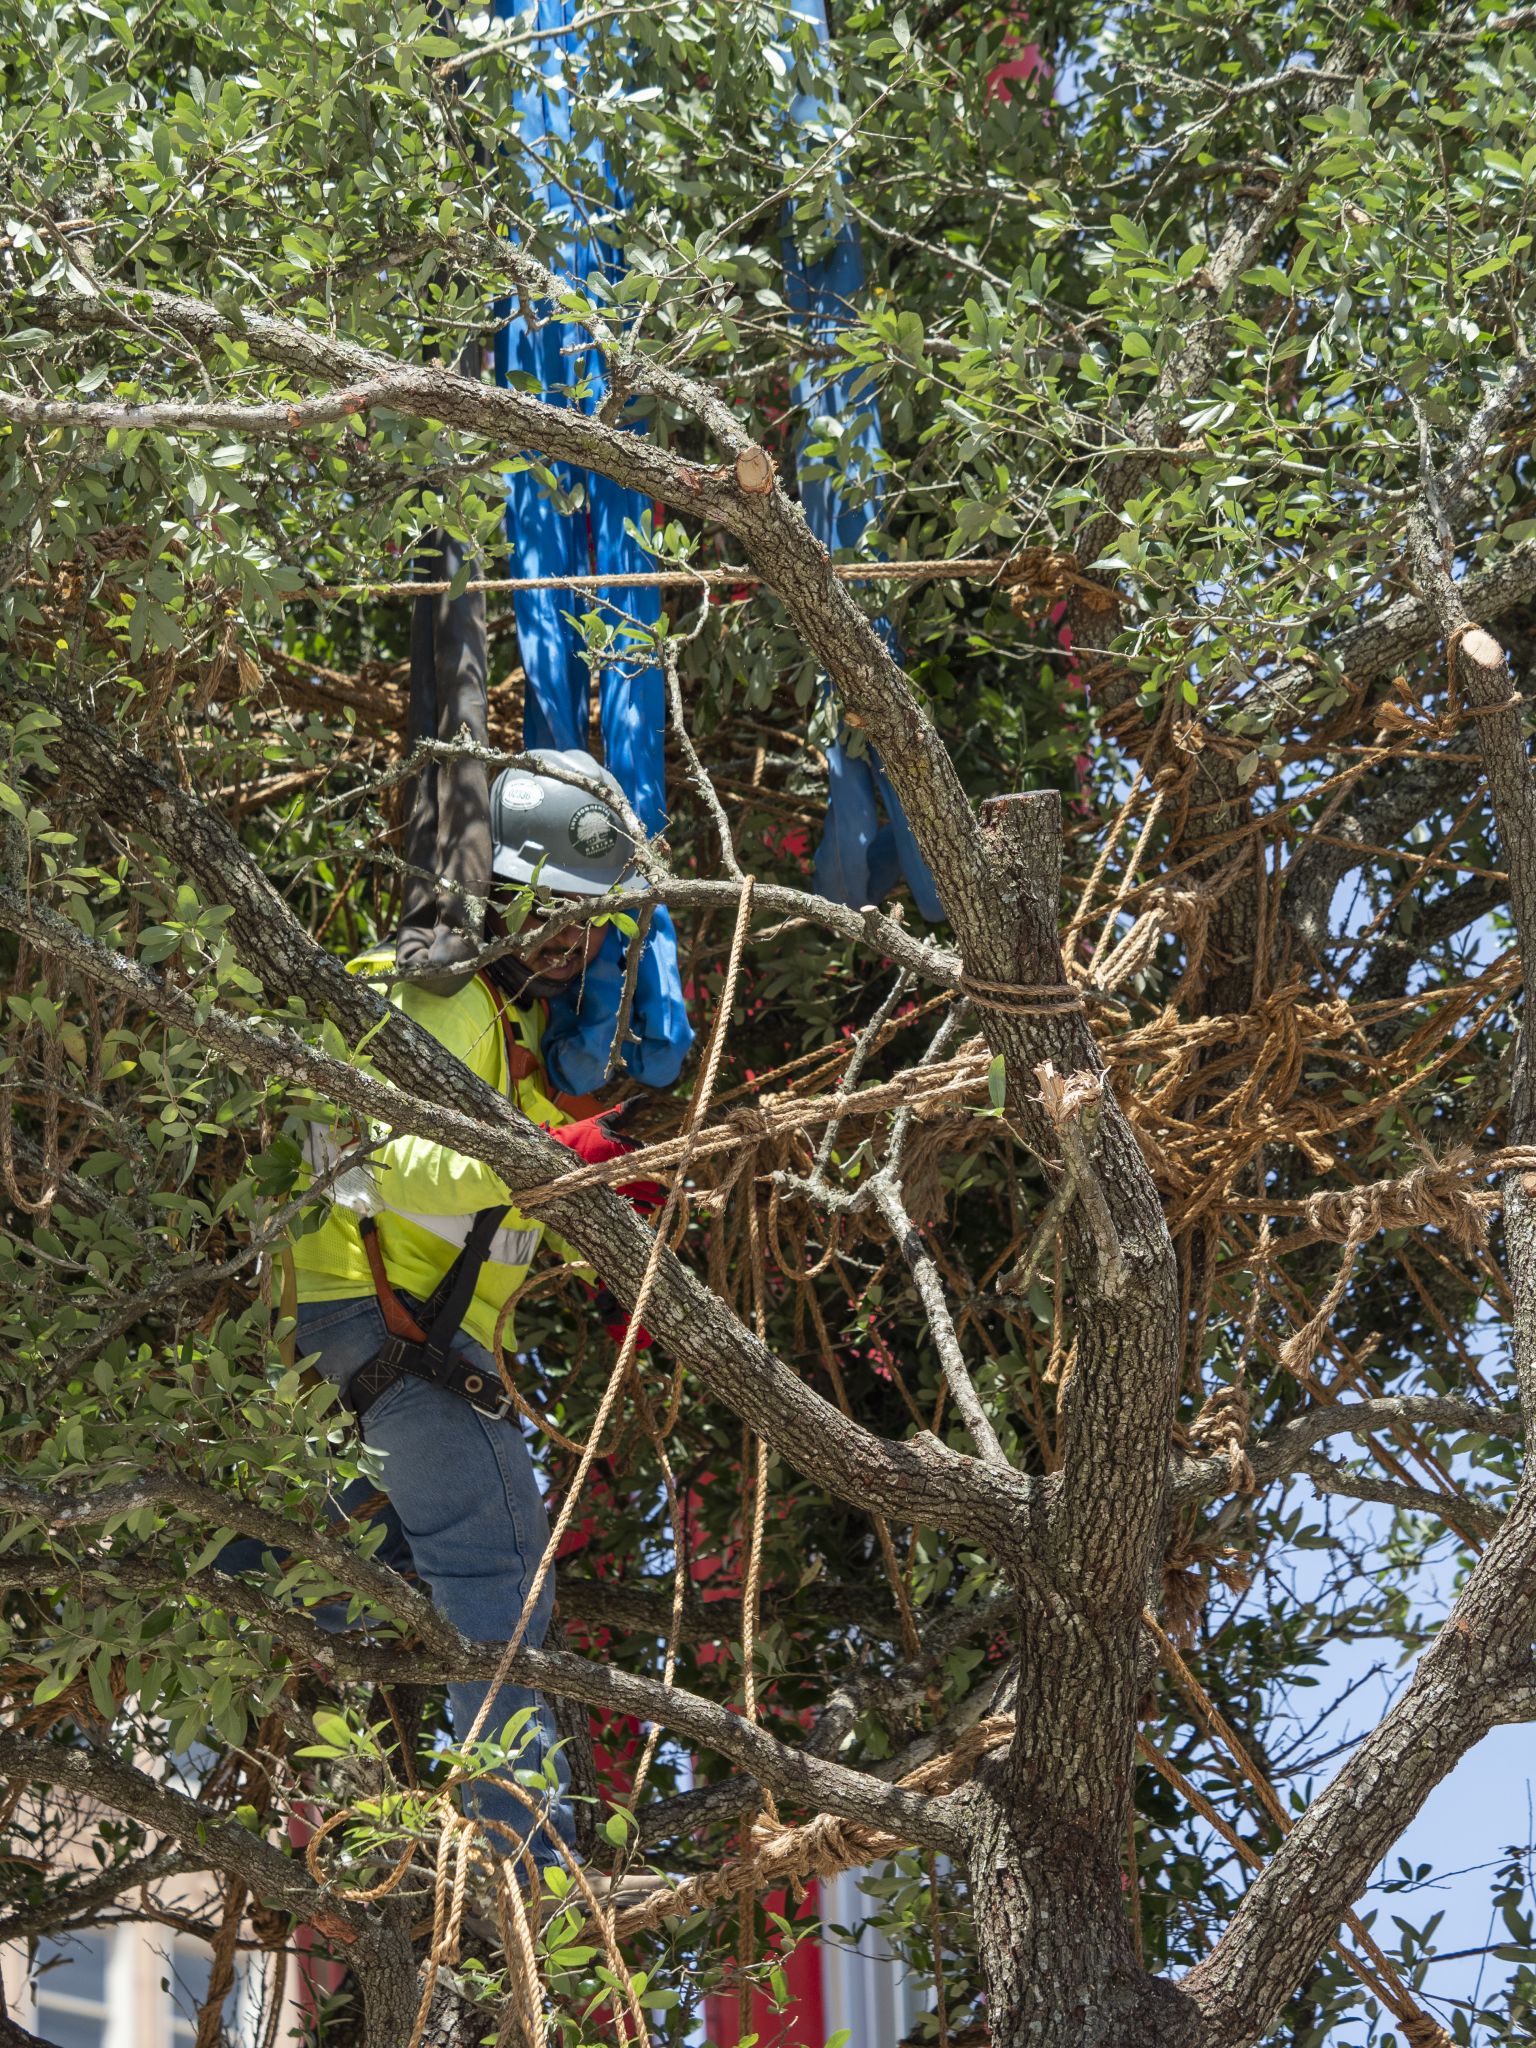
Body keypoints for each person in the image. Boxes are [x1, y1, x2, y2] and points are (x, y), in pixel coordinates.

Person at [238, 749, 661, 1892]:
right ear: (497, 892)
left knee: (306, 1585)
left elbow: (495, 1205)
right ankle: (517, 1868)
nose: (574, 946)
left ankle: (399, 1849)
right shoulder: (432, 993)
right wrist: (550, 1159)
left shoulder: (487, 1016)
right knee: (498, 1578)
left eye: (588, 926)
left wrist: (602, 1213)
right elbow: (398, 1166)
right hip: (385, 1339)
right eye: (558, 918)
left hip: (353, 1343)